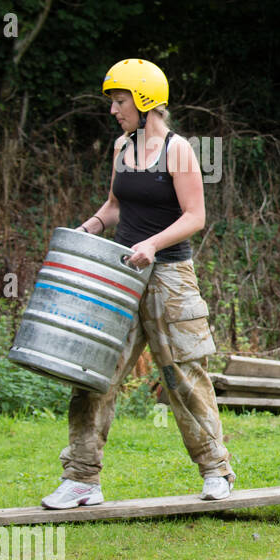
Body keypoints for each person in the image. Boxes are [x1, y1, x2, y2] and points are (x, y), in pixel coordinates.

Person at [43, 58, 235, 509]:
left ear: (146, 100)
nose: (113, 109)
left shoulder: (177, 150)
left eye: (120, 100)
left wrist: (152, 244)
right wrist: (89, 226)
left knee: (183, 375)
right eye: (112, 101)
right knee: (94, 374)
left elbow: (195, 216)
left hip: (170, 277)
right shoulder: (121, 148)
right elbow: (114, 206)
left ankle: (216, 470)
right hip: (122, 273)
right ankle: (82, 479)